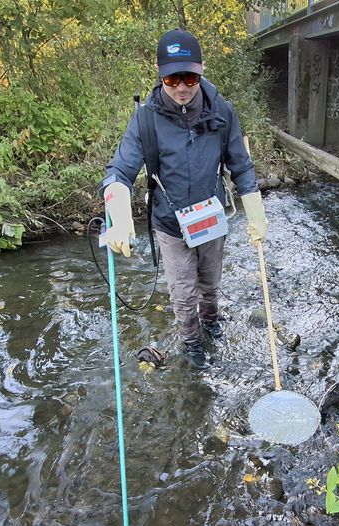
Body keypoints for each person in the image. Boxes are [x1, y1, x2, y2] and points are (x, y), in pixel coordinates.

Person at [100, 29, 267, 369]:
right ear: (161, 75)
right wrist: (117, 211)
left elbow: (241, 166)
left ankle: (211, 321)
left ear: (201, 70)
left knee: (210, 284)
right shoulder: (145, 119)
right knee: (182, 291)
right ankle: (191, 341)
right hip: (170, 223)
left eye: (189, 77)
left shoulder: (223, 112)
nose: (181, 87)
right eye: (172, 78)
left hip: (211, 217)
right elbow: (120, 169)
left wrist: (256, 213)